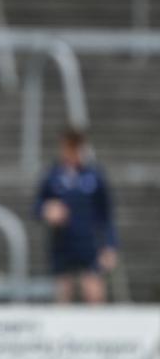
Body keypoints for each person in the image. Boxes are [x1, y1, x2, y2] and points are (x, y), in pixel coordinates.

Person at [34, 129, 119, 304]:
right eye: (67, 147)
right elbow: (37, 206)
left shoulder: (94, 176)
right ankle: (61, 330)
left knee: (93, 290)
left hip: (89, 242)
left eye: (75, 147)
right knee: (63, 290)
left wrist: (110, 245)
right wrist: (47, 209)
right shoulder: (53, 176)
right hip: (62, 242)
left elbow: (106, 214)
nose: (71, 152)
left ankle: (97, 329)